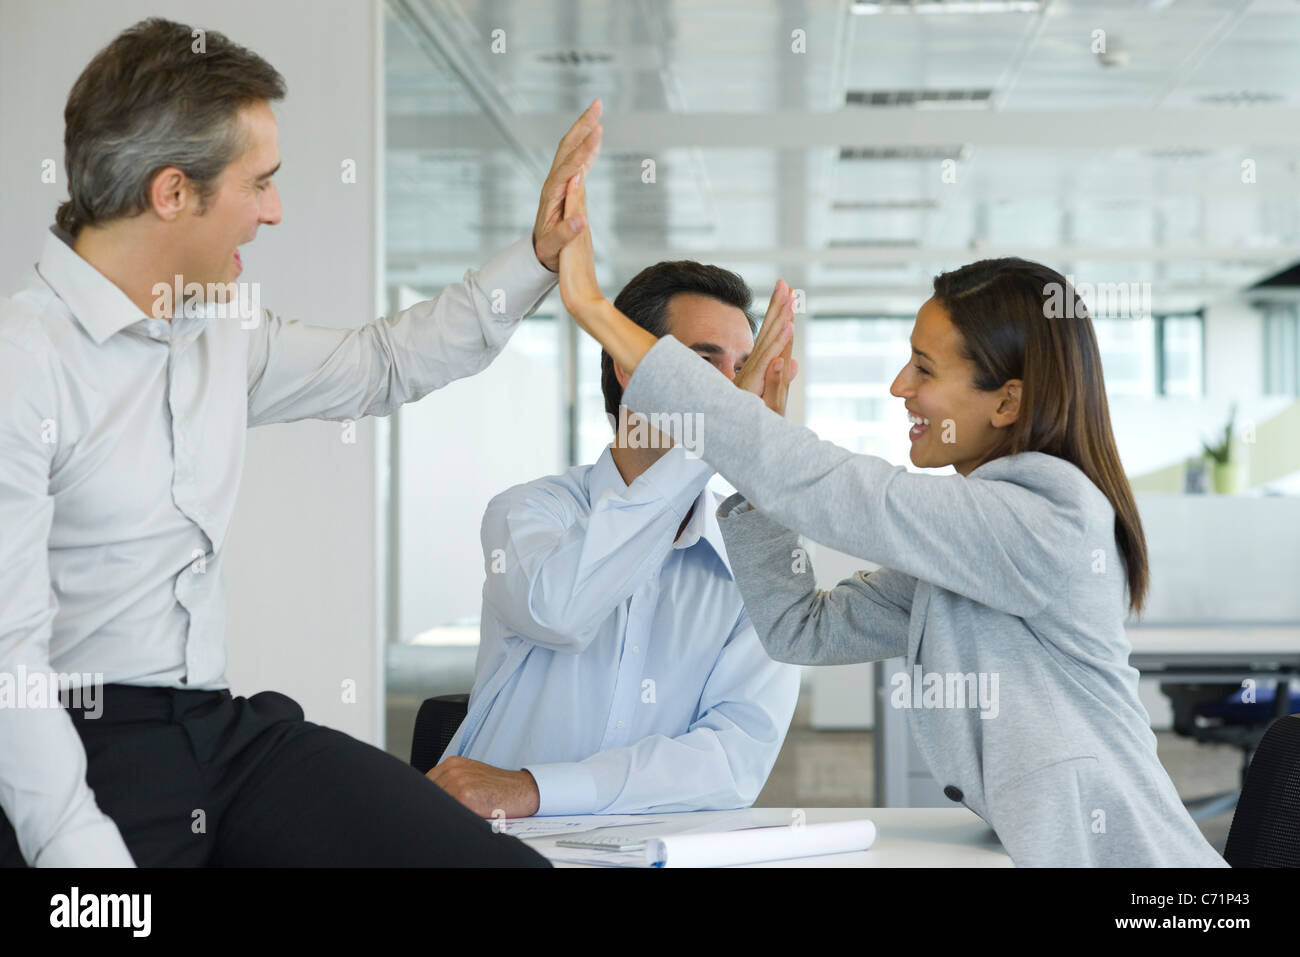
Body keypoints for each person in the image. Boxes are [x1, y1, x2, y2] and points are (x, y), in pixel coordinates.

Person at [0, 18, 602, 867]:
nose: (275, 211)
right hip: (78, 745)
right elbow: (8, 664)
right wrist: (73, 848)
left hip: (223, 735)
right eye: (260, 182)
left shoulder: (217, 331)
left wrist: (539, 257)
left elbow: (381, 363)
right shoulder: (23, 364)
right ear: (173, 192)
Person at [551, 167, 1229, 867]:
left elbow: (841, 489)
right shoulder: (968, 550)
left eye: (924, 369)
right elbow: (801, 629)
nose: (899, 387)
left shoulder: (1046, 518)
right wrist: (755, 485)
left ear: (1006, 402)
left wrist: (597, 309)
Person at [427, 262, 801, 817]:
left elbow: (732, 761)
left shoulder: (752, 556)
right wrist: (716, 438)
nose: (731, 393)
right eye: (704, 363)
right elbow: (560, 609)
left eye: (743, 372)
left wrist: (535, 789)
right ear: (631, 368)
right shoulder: (529, 513)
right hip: (498, 847)